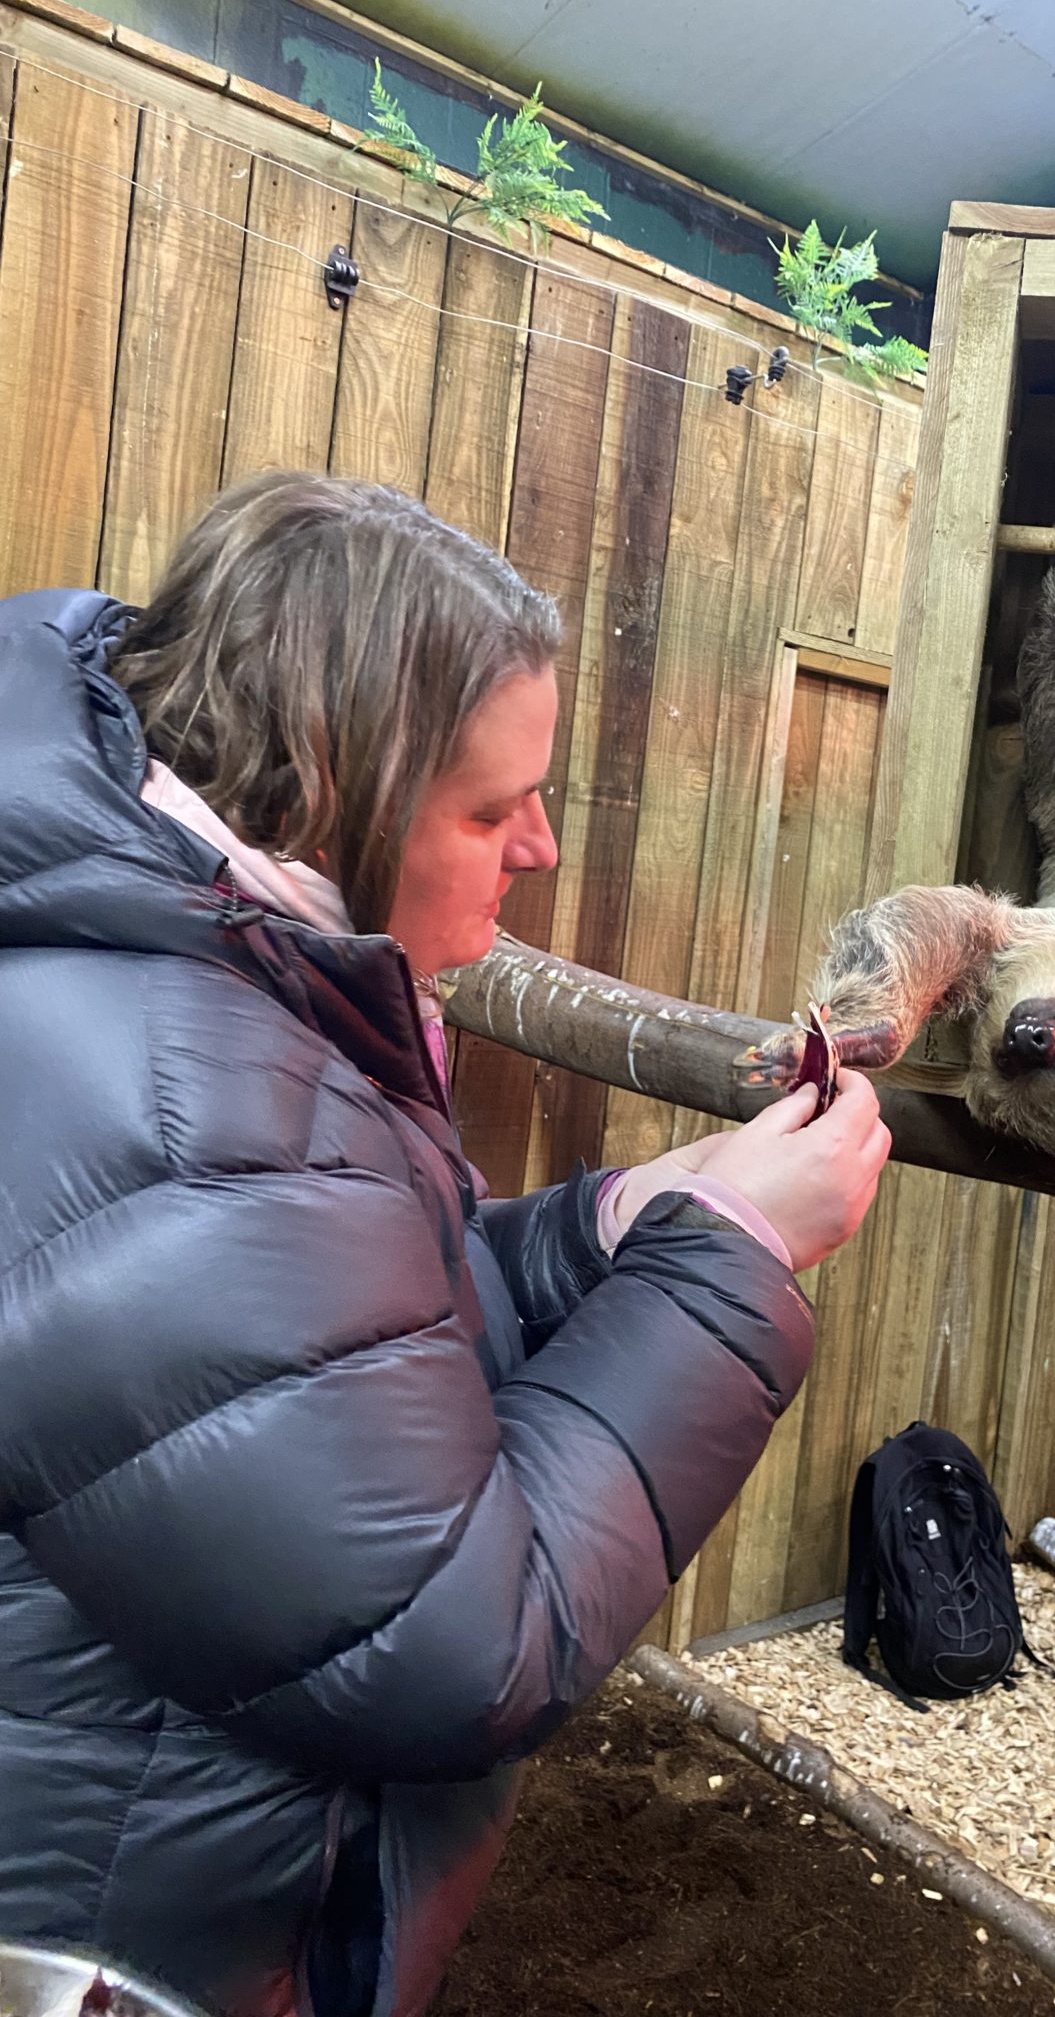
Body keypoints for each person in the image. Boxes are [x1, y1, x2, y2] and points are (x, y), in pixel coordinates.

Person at [0, 471, 891, 2017]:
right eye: (490, 807)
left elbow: (327, 1336)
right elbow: (450, 1641)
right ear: (332, 773)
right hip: (120, 1954)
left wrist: (621, 1224)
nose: (537, 848)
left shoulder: (176, 964)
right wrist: (731, 1261)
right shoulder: (176, 1096)